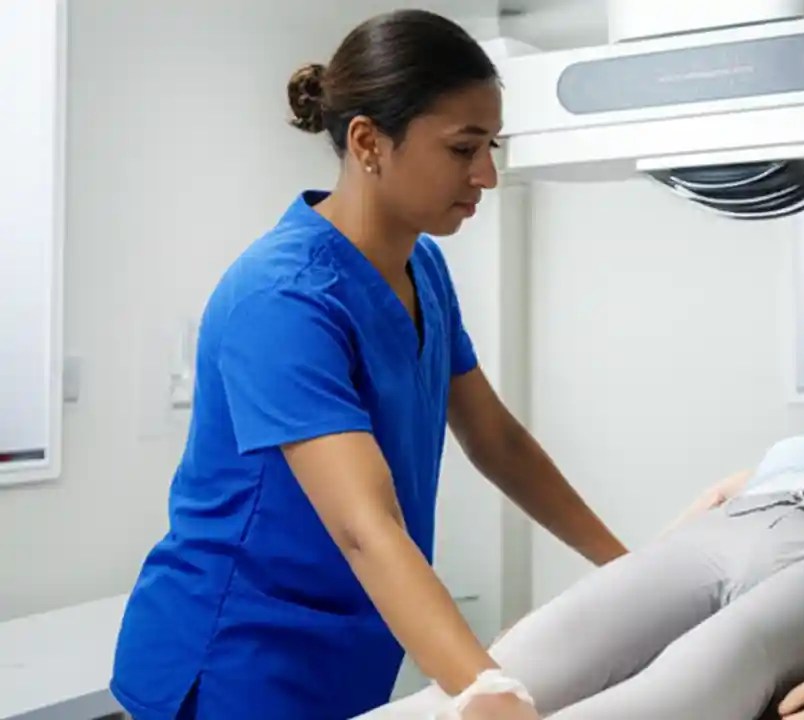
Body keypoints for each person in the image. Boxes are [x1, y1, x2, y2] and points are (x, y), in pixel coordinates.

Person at [109, 10, 625, 720]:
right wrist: (487, 691)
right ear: (368, 142)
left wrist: (628, 569)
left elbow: (496, 441)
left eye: (491, 146)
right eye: (462, 148)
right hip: (237, 658)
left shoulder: (423, 267)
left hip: (349, 650)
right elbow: (364, 524)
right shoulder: (283, 298)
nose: (487, 175)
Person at [453, 360, 804, 719]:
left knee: (722, 660)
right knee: (533, 653)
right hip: (726, 532)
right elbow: (649, 562)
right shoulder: (782, 457)